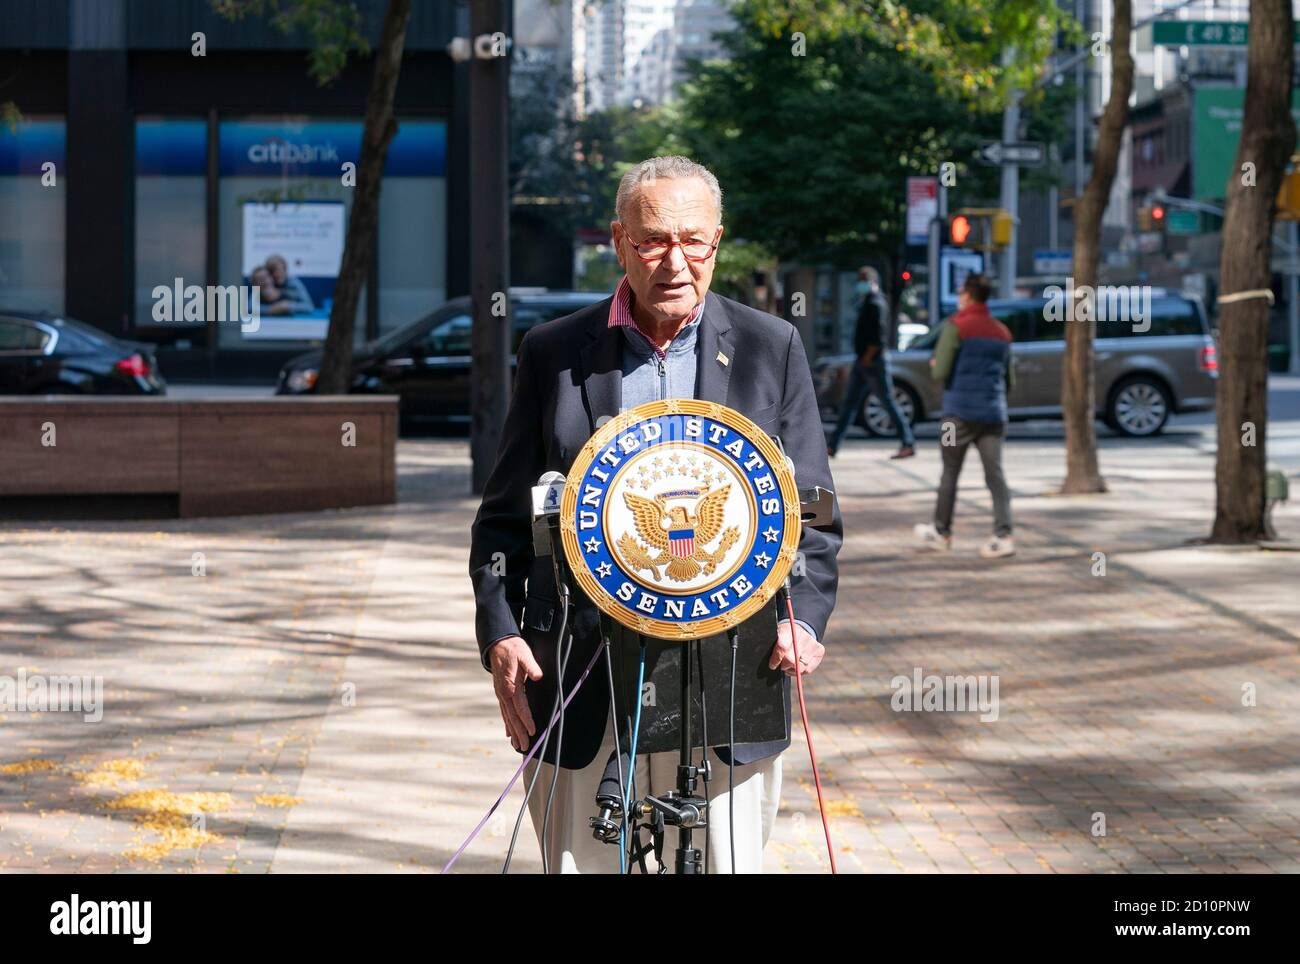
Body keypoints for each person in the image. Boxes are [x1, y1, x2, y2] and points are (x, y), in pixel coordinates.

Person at [468, 155, 842, 873]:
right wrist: (501, 631)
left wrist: (805, 619)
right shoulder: (551, 353)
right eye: (653, 241)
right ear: (619, 241)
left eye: (693, 241)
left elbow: (814, 516)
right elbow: (502, 522)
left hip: (734, 673)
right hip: (581, 678)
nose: (676, 261)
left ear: (717, 241)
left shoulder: (772, 347)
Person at [914, 273, 1016, 558]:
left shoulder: (956, 326)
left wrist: (936, 362)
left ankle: (942, 532)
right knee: (995, 475)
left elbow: (940, 371)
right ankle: (1004, 535)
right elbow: (1010, 380)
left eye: (961, 293)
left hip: (956, 415)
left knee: (950, 472)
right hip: (993, 414)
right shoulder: (1002, 332)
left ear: (968, 296)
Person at [826, 266, 916, 459]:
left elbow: (878, 337)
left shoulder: (876, 303)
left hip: (873, 361)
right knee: (849, 404)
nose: (860, 284)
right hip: (864, 361)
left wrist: (867, 358)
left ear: (871, 281)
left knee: (887, 401)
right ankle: (833, 446)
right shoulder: (868, 301)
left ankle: (908, 442)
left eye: (862, 279)